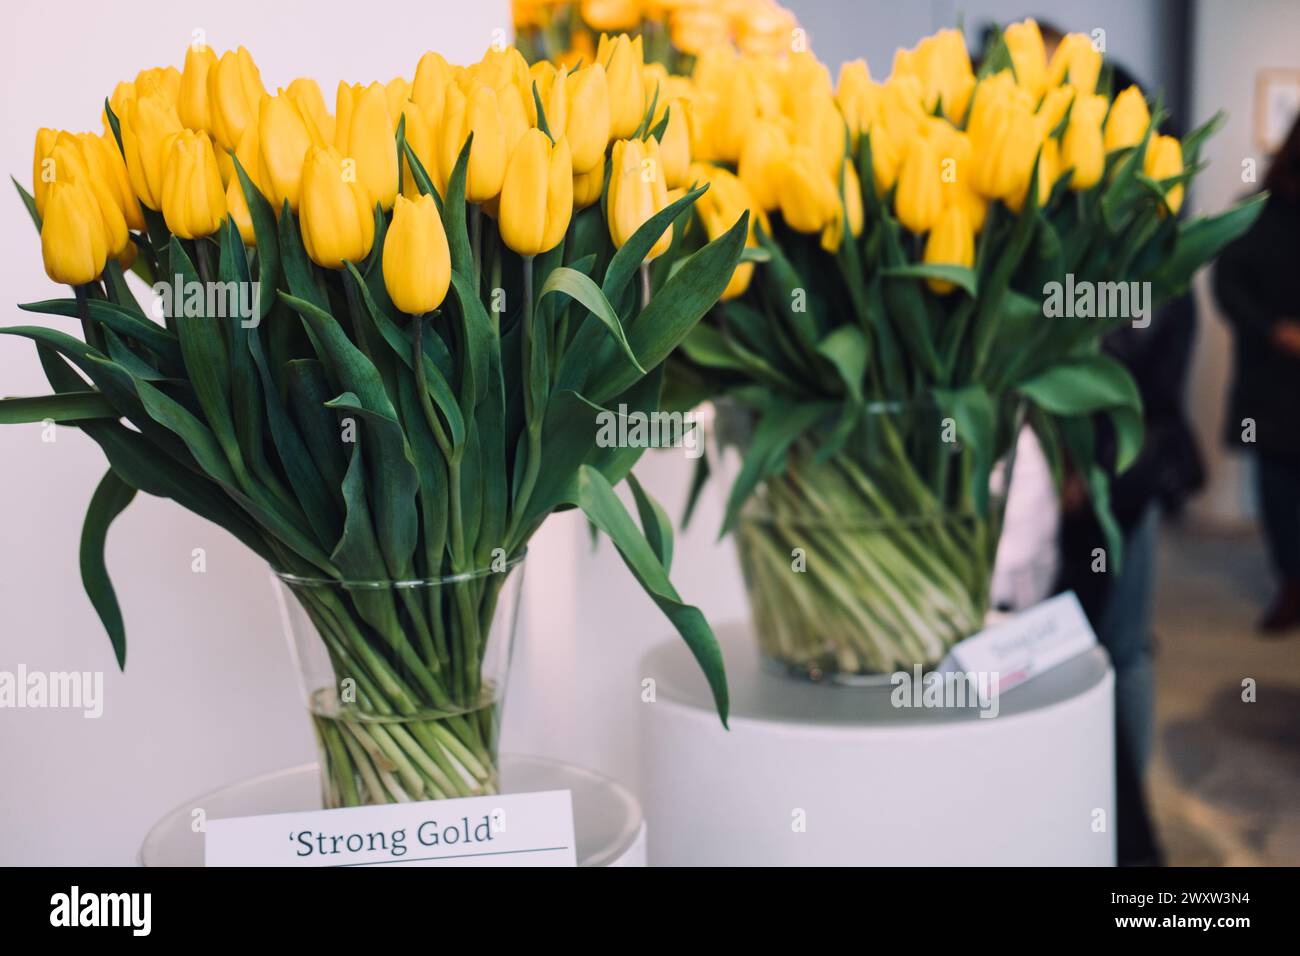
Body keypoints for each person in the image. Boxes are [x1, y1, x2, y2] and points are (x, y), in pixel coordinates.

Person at [1214, 113, 1300, 634]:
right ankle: (1292, 583)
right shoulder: (1256, 211)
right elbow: (1226, 286)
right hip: (1272, 383)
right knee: (1278, 490)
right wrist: (1274, 331)